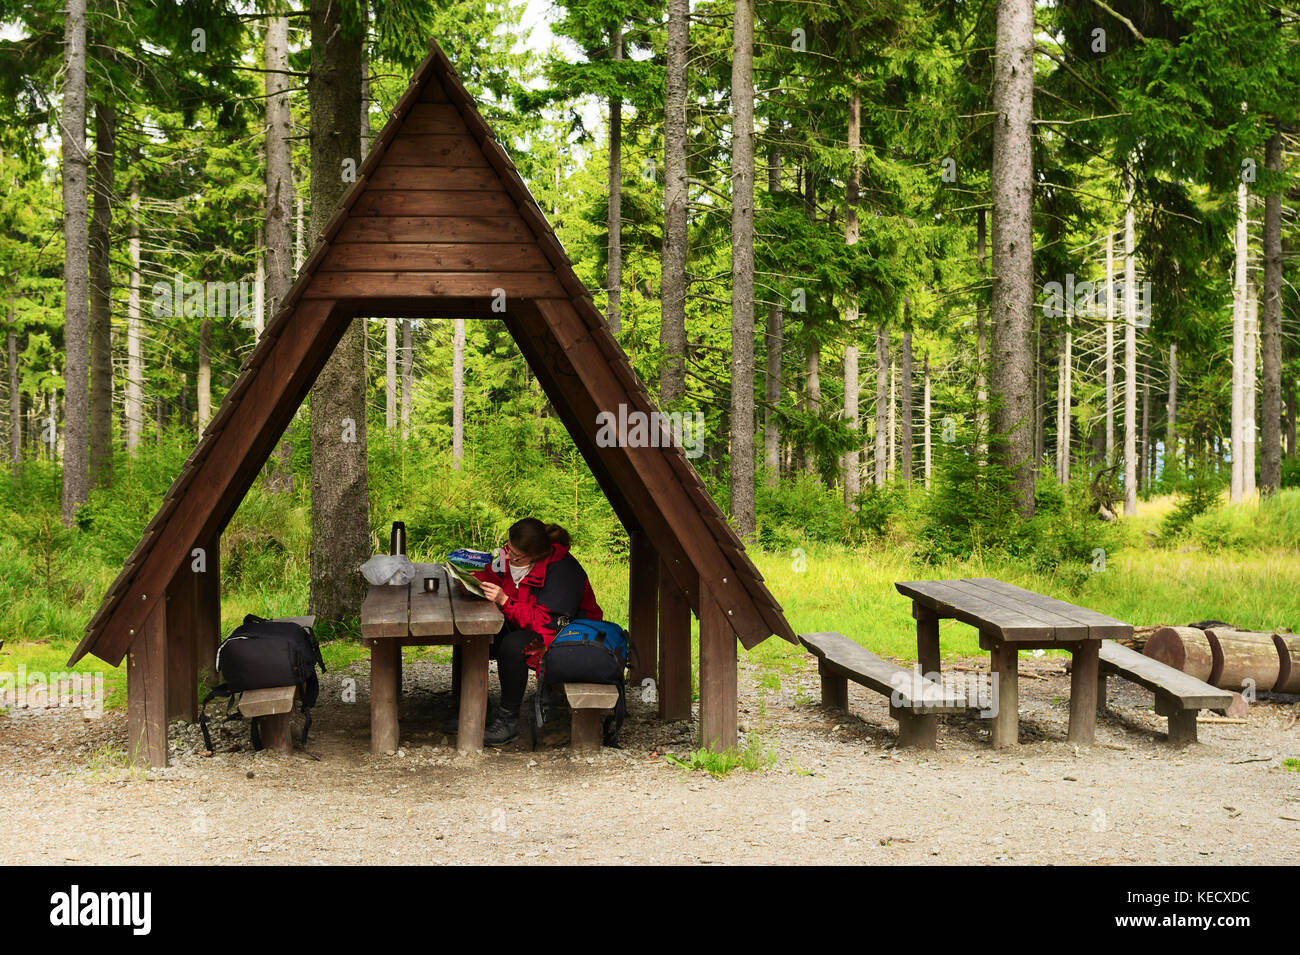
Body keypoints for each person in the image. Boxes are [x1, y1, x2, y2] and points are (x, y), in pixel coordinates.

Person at [450, 518, 602, 745]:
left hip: (567, 637)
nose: (507, 556)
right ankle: (471, 708)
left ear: (535, 556)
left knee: (513, 646)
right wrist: (474, 583)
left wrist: (504, 601)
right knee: (470, 634)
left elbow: (547, 623)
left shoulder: (563, 573)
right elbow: (492, 573)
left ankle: (508, 720)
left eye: (515, 555)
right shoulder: (512, 554)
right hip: (526, 621)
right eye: (508, 548)